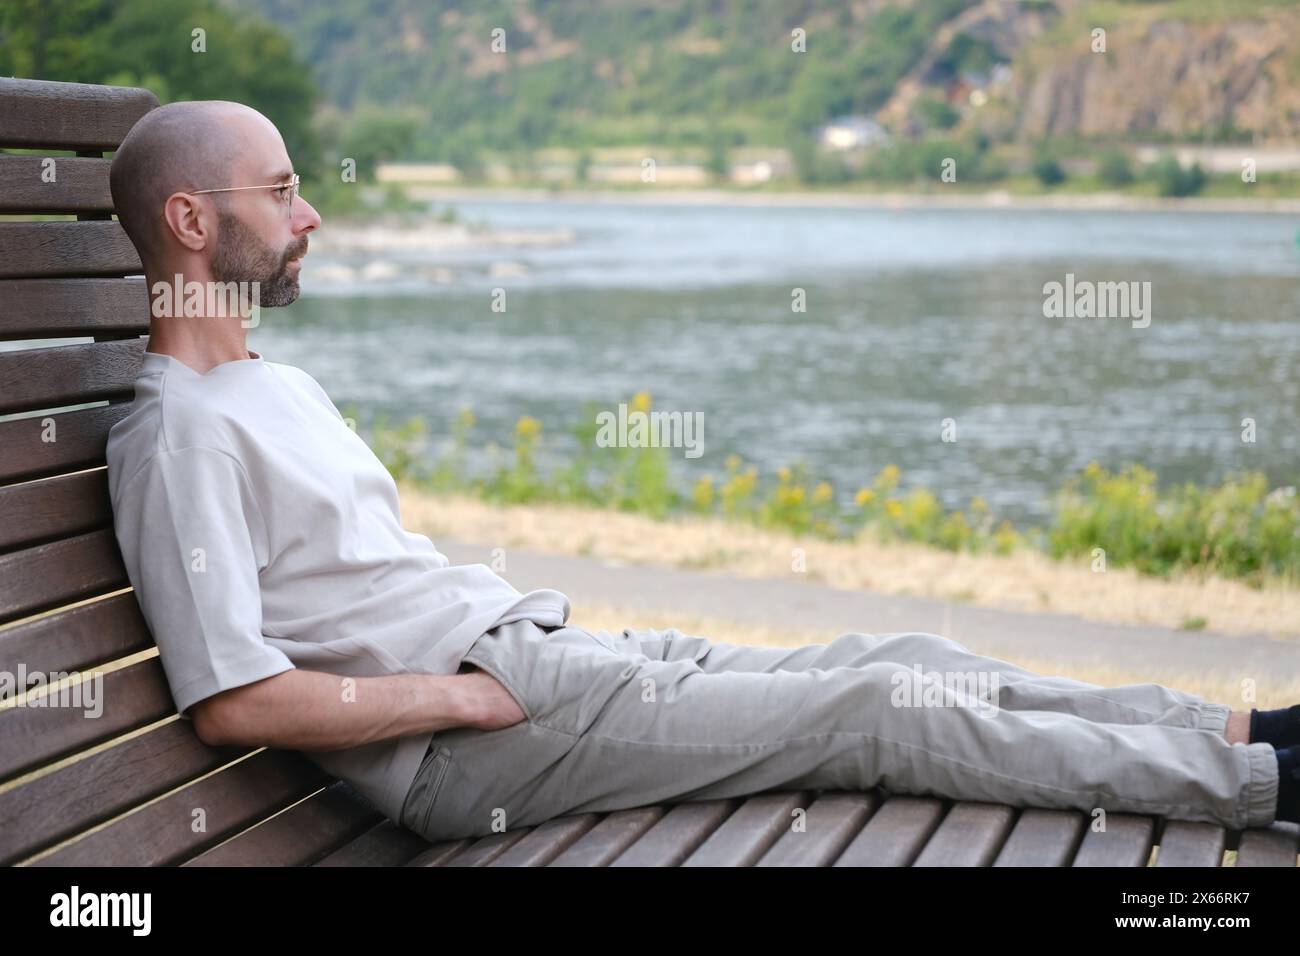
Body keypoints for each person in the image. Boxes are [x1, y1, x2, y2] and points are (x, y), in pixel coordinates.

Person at [105, 100, 1296, 845]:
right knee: (873, 713)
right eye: (279, 189)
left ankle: (1238, 724)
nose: (309, 213)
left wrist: (509, 666)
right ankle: (1252, 783)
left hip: (540, 660)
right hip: (475, 737)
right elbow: (234, 696)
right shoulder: (179, 437)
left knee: (898, 659)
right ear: (193, 221)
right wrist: (460, 697)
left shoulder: (273, 384)